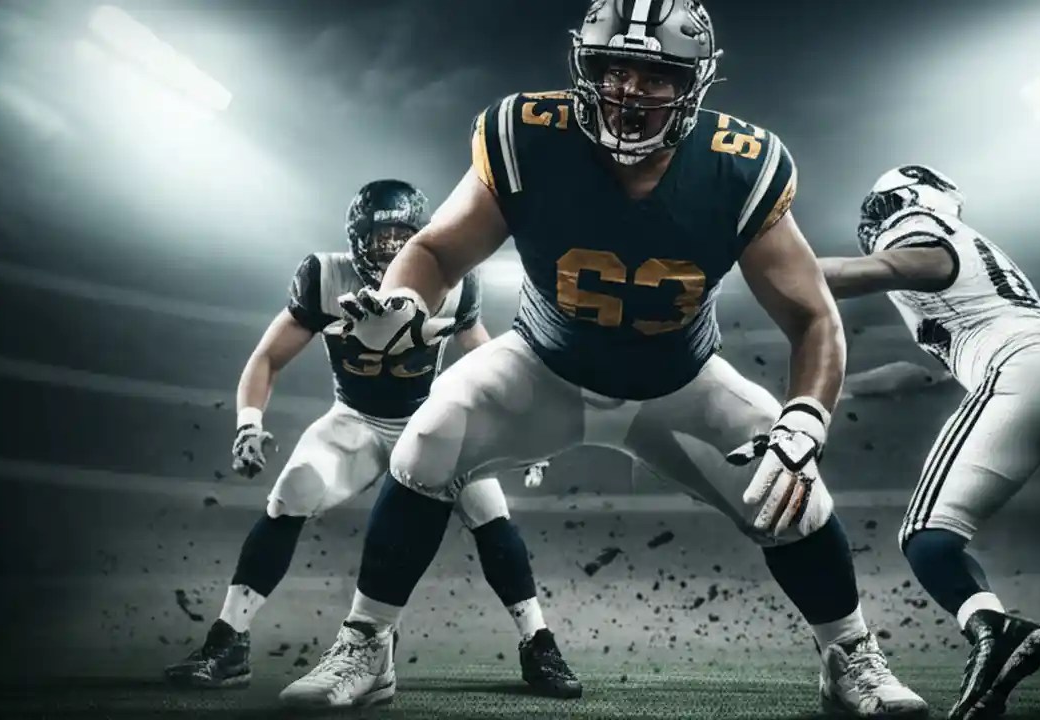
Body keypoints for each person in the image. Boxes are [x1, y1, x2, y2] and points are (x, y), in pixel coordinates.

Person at [280, 3, 929, 717]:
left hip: (678, 383)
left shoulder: (738, 166)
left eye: (655, 76)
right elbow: (435, 249)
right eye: (613, 70)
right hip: (543, 368)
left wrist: (806, 418)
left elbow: (813, 316)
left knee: (793, 490)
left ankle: (849, 656)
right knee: (429, 436)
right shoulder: (528, 135)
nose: (628, 92)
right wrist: (404, 300)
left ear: (695, 83)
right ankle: (367, 644)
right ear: (582, 67)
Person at [164, 179, 580, 700]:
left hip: (429, 423)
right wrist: (249, 421)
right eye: (381, 237)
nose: (391, 249)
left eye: (402, 237)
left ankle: (538, 642)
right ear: (357, 237)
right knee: (293, 489)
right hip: (355, 419)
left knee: (491, 512)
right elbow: (267, 357)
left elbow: (489, 366)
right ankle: (229, 642)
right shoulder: (325, 276)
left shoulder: (457, 284)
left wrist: (523, 430)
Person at [819, 164, 1040, 719]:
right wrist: (843, 387)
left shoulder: (919, 228)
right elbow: (931, 368)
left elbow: (887, 267)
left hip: (1025, 370)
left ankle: (993, 629)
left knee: (926, 538)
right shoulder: (976, 254)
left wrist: (769, 268)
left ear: (903, 200)